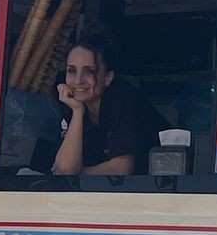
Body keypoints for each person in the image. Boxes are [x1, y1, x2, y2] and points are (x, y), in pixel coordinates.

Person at [51, 31, 164, 179]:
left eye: (89, 71)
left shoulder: (121, 98)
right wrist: (77, 111)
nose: (78, 81)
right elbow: (66, 169)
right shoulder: (73, 103)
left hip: (155, 188)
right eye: (71, 71)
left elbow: (122, 168)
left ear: (108, 77)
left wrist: (80, 174)